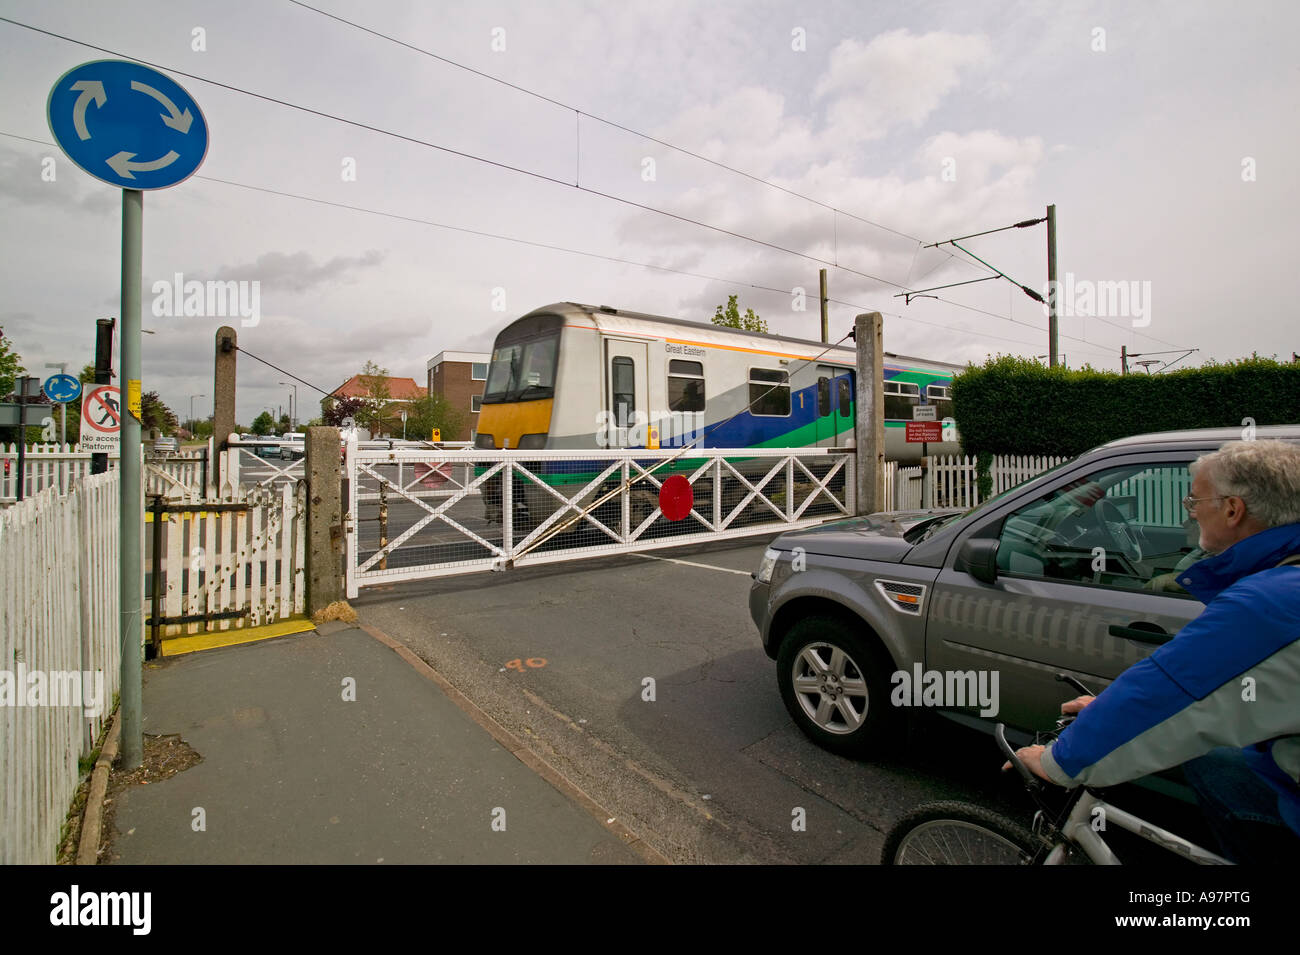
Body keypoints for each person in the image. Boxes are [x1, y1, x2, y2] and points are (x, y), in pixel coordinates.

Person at [1008, 439, 1300, 863]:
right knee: (1215, 761)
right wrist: (1109, 706)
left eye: (1194, 499)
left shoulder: (1268, 600)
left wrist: (1058, 762)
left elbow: (1171, 691)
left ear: (1233, 510)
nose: (1190, 510)